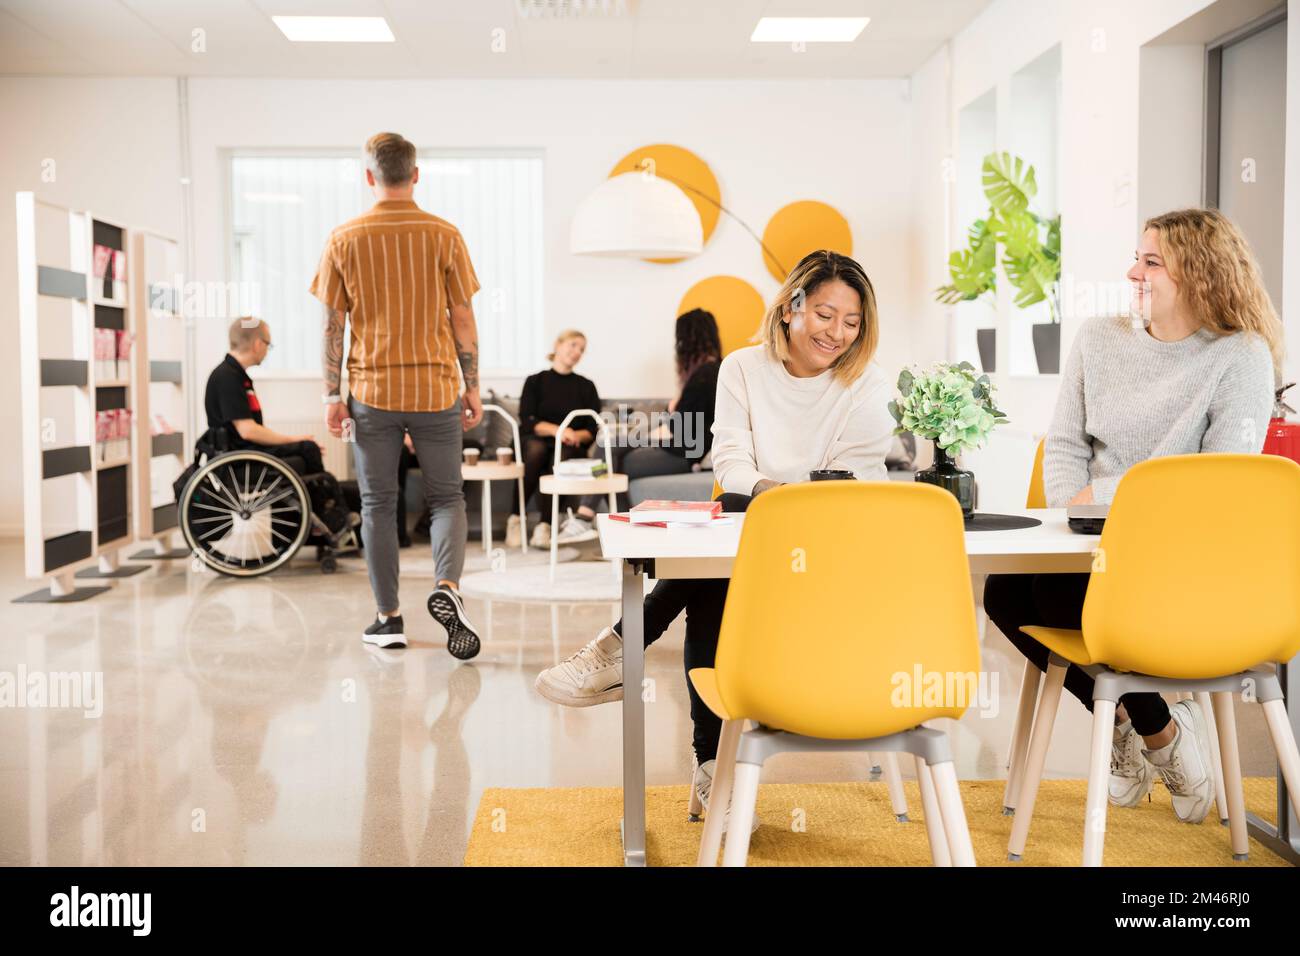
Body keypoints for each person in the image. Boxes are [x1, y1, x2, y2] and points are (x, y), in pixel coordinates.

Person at [534, 250, 895, 819]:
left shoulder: (868, 385)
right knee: (721, 557)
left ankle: (623, 652)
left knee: (724, 542)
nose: (837, 334)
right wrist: (773, 498)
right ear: (789, 309)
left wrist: (772, 499)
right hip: (752, 540)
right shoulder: (744, 369)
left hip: (829, 555)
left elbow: (843, 488)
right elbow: (730, 460)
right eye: (825, 315)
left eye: (852, 323)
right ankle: (705, 766)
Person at [984, 208, 1281, 824]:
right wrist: (1079, 510)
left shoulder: (1241, 356)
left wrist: (1108, 496)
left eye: (1151, 261)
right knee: (1007, 594)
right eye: (1136, 256)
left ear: (1199, 273)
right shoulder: (1099, 337)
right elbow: (1063, 443)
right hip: (1092, 537)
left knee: (1067, 600)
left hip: (1185, 556)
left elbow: (1217, 478)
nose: (1132, 271)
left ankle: (1146, 726)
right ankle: (1152, 728)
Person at [312, 131, 484, 659]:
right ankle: (446, 588)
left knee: (377, 503)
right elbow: (461, 317)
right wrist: (471, 385)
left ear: (369, 176)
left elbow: (332, 324)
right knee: (447, 498)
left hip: (371, 390)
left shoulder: (344, 238)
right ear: (415, 175)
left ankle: (388, 620)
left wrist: (331, 395)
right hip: (434, 387)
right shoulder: (444, 234)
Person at [552, 308, 723, 545]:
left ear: (688, 340)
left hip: (682, 453)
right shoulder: (712, 371)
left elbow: (681, 428)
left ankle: (584, 518)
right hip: (681, 448)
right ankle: (621, 531)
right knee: (612, 448)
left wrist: (666, 418)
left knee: (612, 457)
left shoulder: (704, 375)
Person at [513, 330, 602, 548]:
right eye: (573, 345)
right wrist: (559, 430)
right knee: (536, 451)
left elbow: (591, 428)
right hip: (538, 439)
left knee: (562, 457)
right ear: (558, 345)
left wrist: (572, 435)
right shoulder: (535, 381)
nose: (577, 352)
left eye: (581, 349)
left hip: (570, 445)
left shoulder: (586, 386)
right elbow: (528, 420)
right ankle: (515, 519)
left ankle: (545, 525)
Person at [203, 317, 324, 473]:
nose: (267, 350)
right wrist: (294, 440)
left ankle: (323, 494)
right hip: (240, 461)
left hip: (244, 454)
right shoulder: (227, 377)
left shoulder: (236, 375)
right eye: (268, 345)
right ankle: (324, 496)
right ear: (258, 344)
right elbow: (248, 431)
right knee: (308, 448)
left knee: (306, 450)